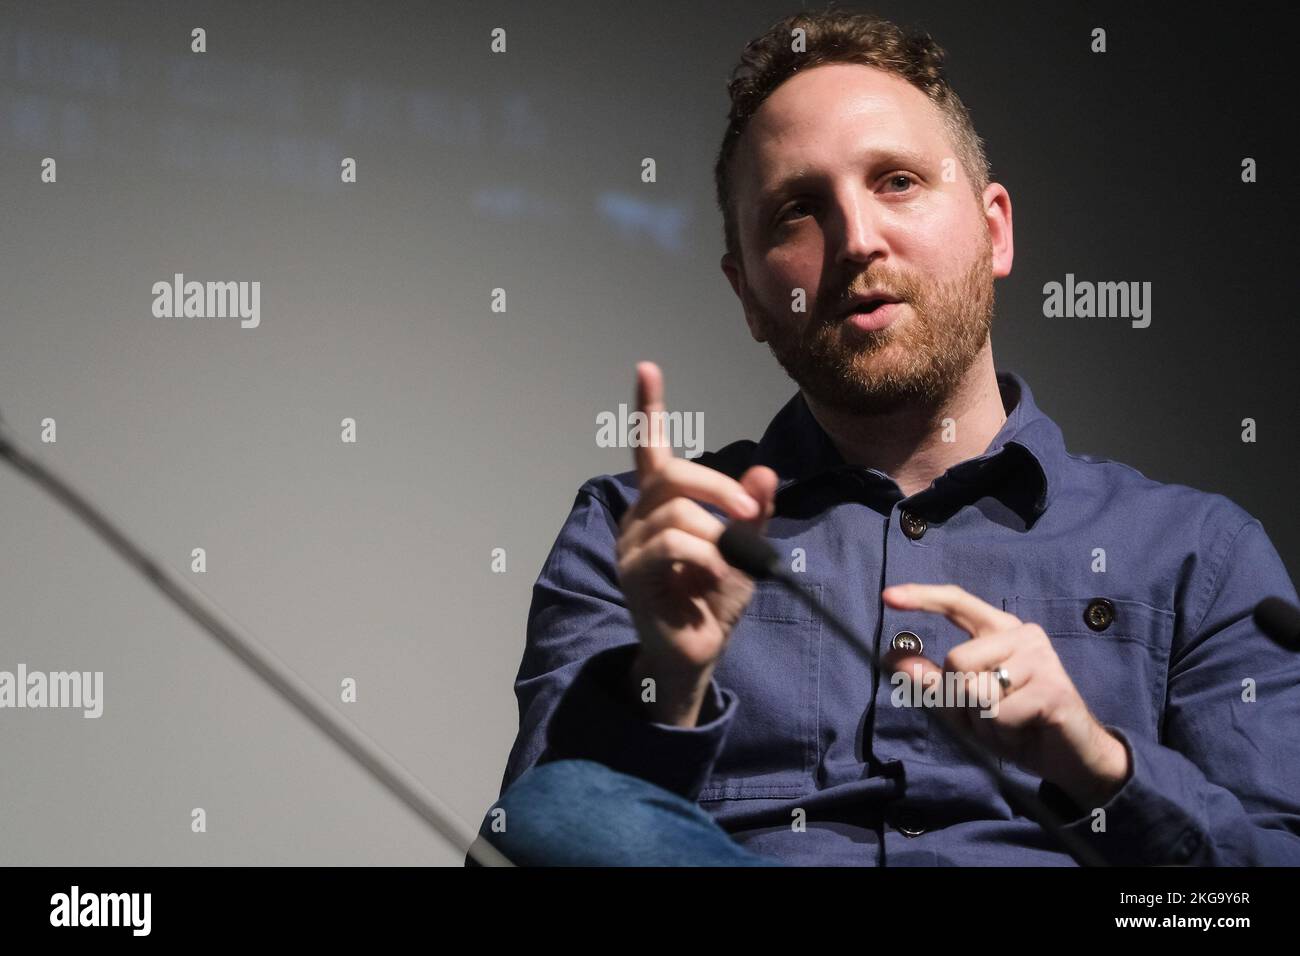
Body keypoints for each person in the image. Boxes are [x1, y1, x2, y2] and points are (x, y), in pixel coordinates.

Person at [471, 8, 1300, 866]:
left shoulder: (1200, 553)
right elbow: (538, 838)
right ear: (748, 295)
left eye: (898, 181)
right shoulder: (638, 534)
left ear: (995, 229)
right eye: (797, 209)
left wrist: (1100, 767)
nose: (859, 240)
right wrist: (664, 688)